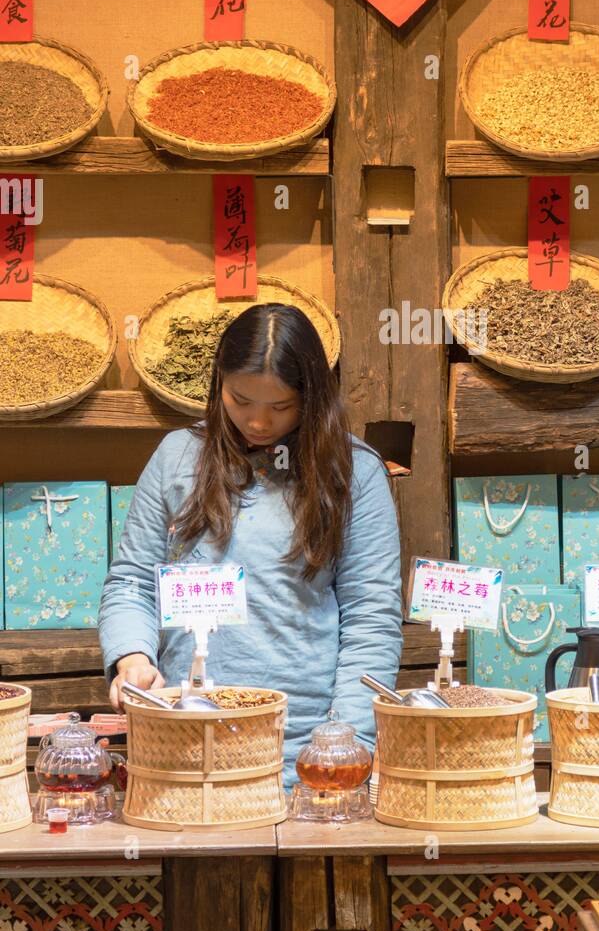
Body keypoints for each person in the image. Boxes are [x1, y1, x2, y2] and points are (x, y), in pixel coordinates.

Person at [99, 303, 404, 785]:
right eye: (240, 400)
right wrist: (132, 658)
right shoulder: (178, 457)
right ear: (218, 382)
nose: (259, 423)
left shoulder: (355, 471)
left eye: (281, 406)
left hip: (306, 746)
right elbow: (133, 583)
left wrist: (348, 742)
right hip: (182, 732)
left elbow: (371, 617)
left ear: (313, 397)